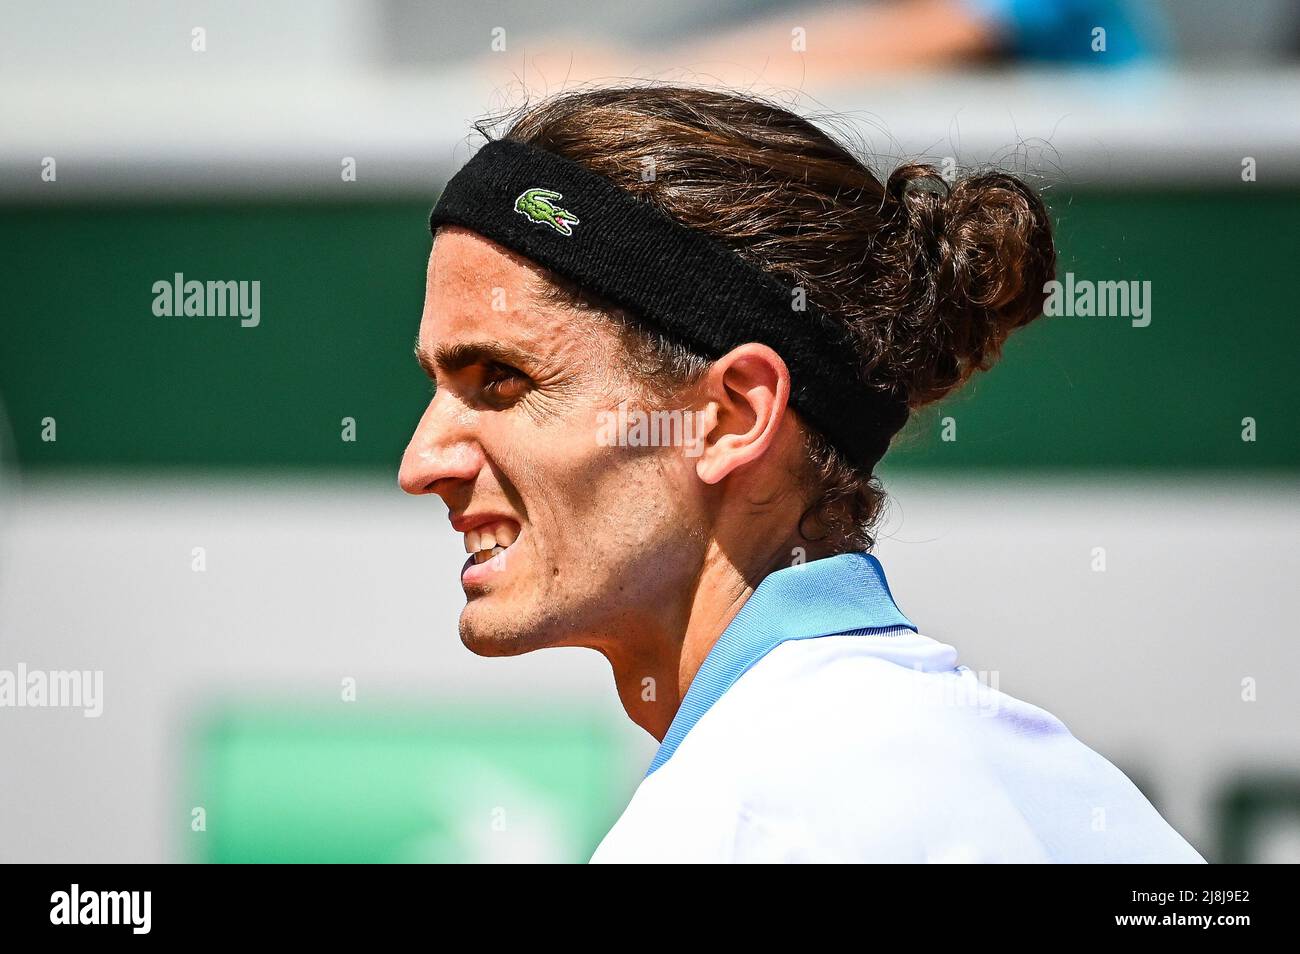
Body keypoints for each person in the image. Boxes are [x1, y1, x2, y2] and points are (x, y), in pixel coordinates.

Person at [400, 84, 1204, 863]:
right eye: (439, 386)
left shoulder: (730, 826)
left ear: (733, 417)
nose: (423, 462)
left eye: (502, 379)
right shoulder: (1074, 793)